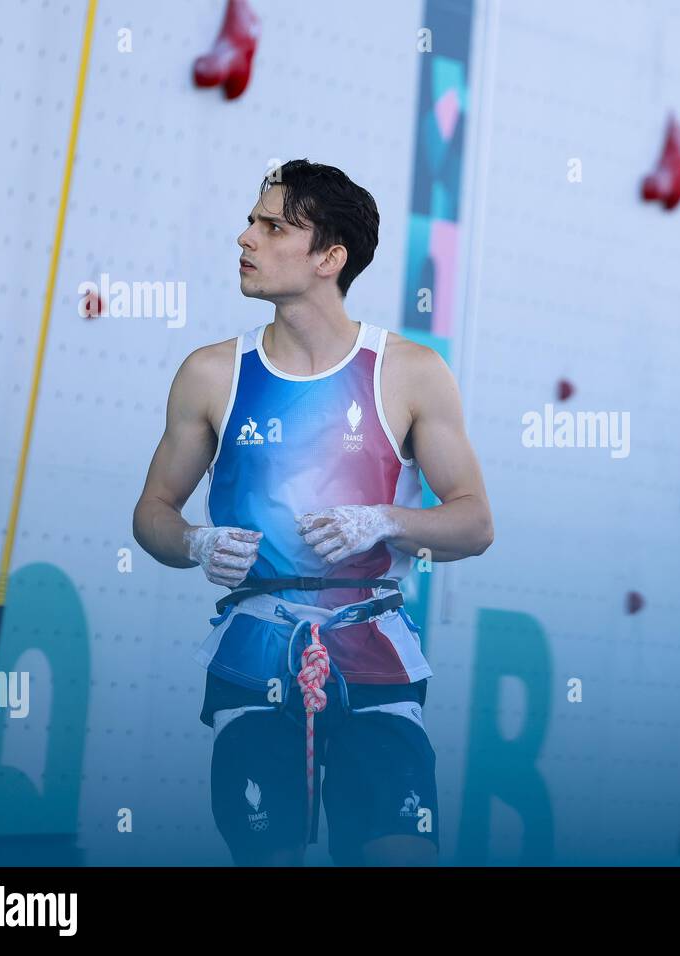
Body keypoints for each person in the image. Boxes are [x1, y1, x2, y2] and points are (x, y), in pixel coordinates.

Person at [132, 159, 493, 865]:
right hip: (254, 652)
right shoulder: (211, 372)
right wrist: (195, 543)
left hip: (373, 648)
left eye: (271, 227)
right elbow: (153, 513)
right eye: (251, 220)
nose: (245, 238)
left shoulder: (410, 371)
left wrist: (386, 520)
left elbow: (474, 523)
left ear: (331, 257)